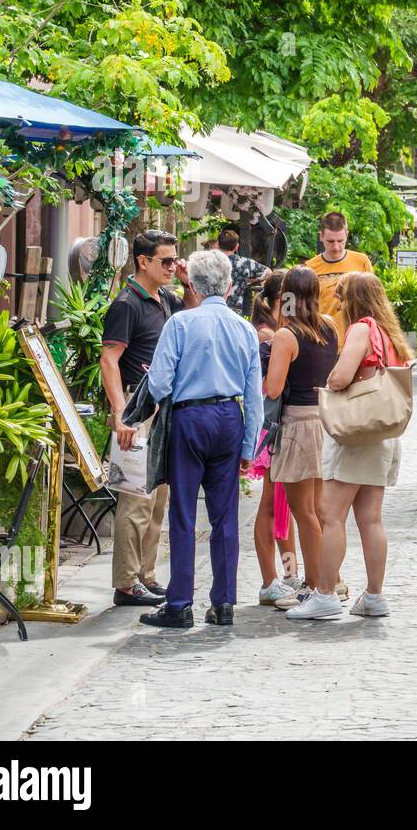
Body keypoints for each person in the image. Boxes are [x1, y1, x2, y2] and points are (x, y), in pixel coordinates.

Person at [138, 250, 263, 627]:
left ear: (190, 284)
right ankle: (223, 603)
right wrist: (248, 447)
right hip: (229, 416)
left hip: (190, 417)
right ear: (228, 286)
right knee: (226, 516)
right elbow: (253, 393)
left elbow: (158, 383)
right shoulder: (245, 329)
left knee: (183, 513)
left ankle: (179, 604)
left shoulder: (180, 324)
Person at [288, 272, 414, 620]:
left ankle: (325, 593)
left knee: (331, 514)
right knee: (371, 519)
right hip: (383, 435)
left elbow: (341, 377)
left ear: (355, 298)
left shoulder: (361, 328)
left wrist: (329, 382)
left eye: (342, 298)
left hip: (358, 435)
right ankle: (374, 596)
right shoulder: (389, 333)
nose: (339, 305)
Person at [101, 229, 200, 608]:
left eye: (176, 260)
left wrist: (190, 282)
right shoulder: (127, 303)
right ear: (143, 262)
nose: (173, 267)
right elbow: (109, 359)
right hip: (136, 406)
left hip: (162, 407)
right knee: (135, 498)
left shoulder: (165, 299)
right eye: (166, 261)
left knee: (158, 498)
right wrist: (120, 414)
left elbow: (193, 317)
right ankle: (126, 584)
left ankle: (146, 574)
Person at [265, 266, 345, 610]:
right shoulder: (329, 327)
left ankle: (316, 585)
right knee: (320, 510)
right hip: (324, 422)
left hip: (297, 423)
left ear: (286, 294)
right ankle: (331, 580)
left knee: (303, 512)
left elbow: (273, 388)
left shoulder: (287, 335)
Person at [247, 271, 302, 605]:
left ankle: (289, 574)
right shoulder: (266, 335)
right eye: (287, 298)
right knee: (272, 504)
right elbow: (269, 388)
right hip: (271, 428)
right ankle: (271, 580)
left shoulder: (285, 332)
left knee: (284, 507)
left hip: (283, 426)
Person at [305, 211, 373, 339]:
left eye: (340, 241)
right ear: (321, 237)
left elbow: (374, 302)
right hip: (323, 341)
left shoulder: (361, 261)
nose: (336, 247)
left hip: (357, 340)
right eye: (330, 241)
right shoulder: (310, 268)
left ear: (347, 235)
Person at [217, 227, 269, 314]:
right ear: (236, 247)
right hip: (234, 312)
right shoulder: (243, 263)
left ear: (218, 244)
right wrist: (249, 280)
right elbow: (268, 272)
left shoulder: (209, 261)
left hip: (212, 309)